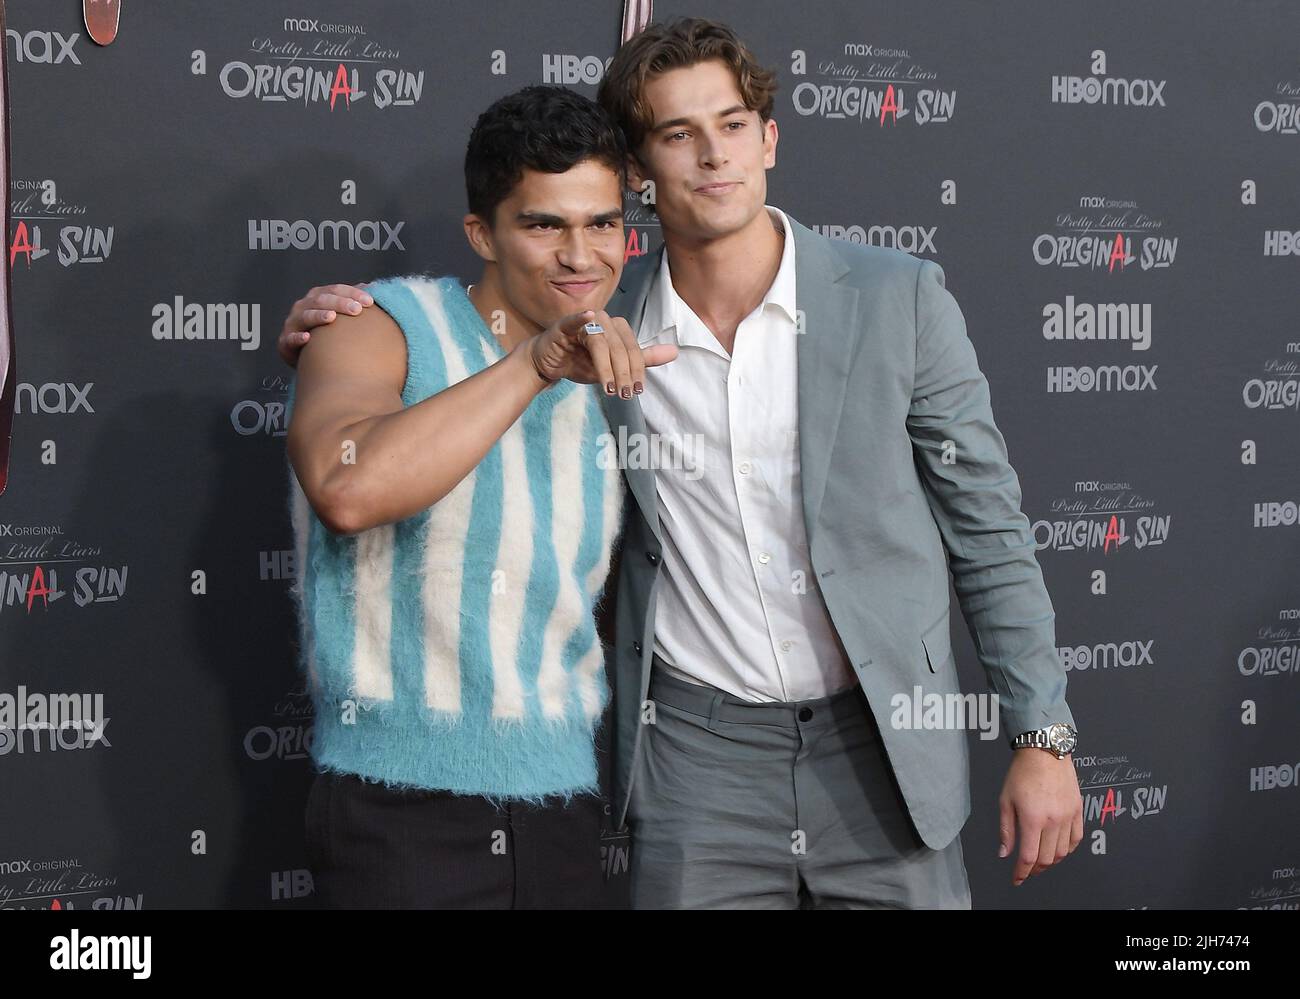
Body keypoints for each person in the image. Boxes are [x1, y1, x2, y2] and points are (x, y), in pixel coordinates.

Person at [281, 17, 1083, 910]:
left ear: (769, 136)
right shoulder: (592, 320)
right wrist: (336, 330)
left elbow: (990, 529)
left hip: (884, 749)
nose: (714, 156)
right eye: (677, 134)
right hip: (696, 758)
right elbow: (480, 329)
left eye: (733, 124)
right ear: (639, 170)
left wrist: (1042, 734)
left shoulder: (898, 300)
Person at [283, 84, 674, 908]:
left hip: (563, 810)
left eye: (603, 223)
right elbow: (347, 487)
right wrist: (531, 363)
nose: (581, 255)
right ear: (481, 234)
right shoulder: (378, 325)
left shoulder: (614, 359)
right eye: (543, 224)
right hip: (398, 810)